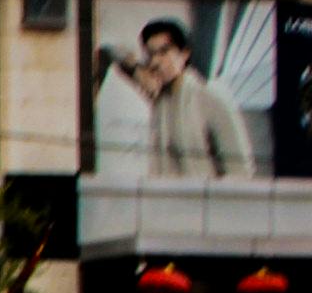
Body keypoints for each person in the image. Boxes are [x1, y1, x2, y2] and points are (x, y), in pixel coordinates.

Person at [103, 17, 254, 178]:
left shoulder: (211, 97)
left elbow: (241, 172)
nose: (155, 62)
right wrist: (136, 70)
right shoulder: (159, 93)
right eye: (150, 54)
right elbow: (110, 50)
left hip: (199, 192)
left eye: (163, 52)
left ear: (184, 53)